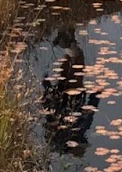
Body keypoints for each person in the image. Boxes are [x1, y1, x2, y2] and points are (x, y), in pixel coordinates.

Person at [43, 26, 101, 156]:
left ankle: (67, 41)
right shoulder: (57, 135)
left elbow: (89, 111)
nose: (84, 139)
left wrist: (97, 94)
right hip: (58, 92)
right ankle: (66, 37)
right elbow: (48, 113)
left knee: (78, 58)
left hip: (75, 93)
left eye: (83, 141)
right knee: (67, 61)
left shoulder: (80, 129)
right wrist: (46, 89)